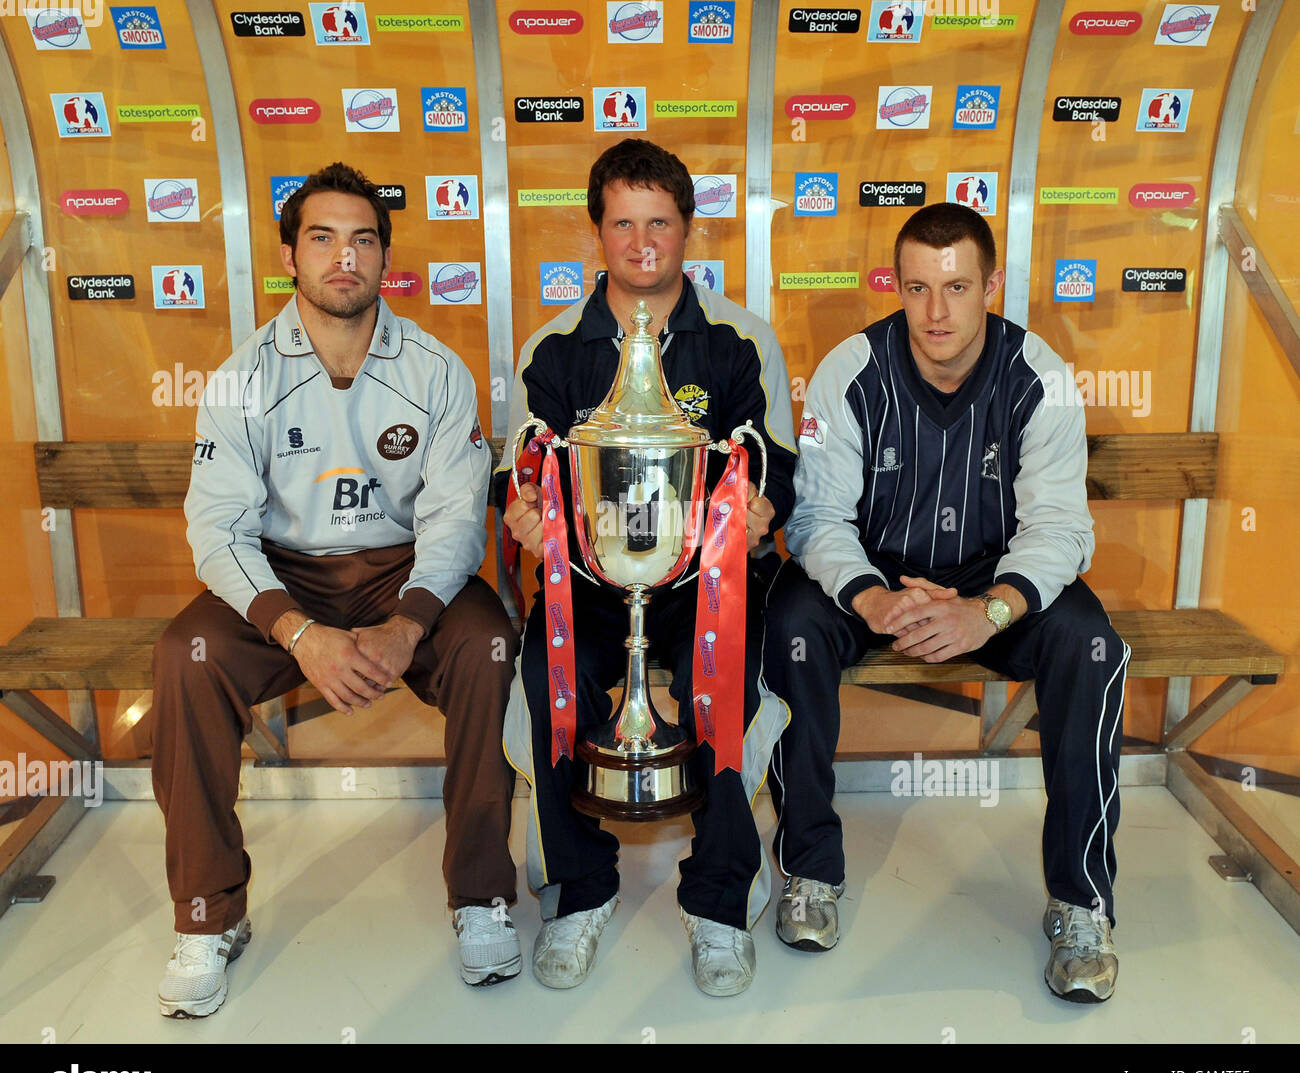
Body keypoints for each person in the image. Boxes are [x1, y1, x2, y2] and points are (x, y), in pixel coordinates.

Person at [151, 162, 520, 1017]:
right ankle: (208, 917)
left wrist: (408, 626)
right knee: (184, 656)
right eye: (322, 238)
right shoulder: (243, 375)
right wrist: (298, 633)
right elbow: (216, 529)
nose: (342, 257)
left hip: (406, 573)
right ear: (290, 254)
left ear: (386, 258)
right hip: (285, 577)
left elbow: (459, 522)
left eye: (362, 239)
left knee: (489, 647)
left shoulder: (434, 369)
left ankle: (481, 898)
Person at [762, 202, 1129, 1002]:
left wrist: (989, 609)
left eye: (958, 286)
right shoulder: (848, 369)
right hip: (875, 574)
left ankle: (1080, 903)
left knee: (1092, 646)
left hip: (996, 583)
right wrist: (870, 598)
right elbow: (818, 517)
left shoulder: (1042, 376)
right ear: (896, 284)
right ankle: (810, 872)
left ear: (992, 284)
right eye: (918, 287)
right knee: (789, 626)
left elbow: (1063, 527)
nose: (936, 311)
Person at [494, 139, 797, 997]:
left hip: (708, 578)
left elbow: (769, 460)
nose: (642, 242)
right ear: (597, 234)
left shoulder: (741, 341)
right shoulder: (553, 347)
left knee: (734, 674)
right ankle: (578, 892)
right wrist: (525, 511)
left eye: (659, 221)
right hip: (592, 583)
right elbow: (528, 460)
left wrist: (760, 506)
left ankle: (718, 904)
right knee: (548, 671)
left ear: (688, 230)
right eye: (622, 223)